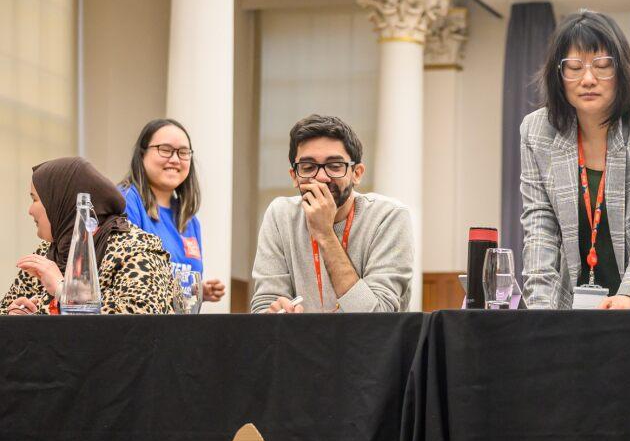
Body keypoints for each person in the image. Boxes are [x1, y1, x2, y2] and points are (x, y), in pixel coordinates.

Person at [519, 9, 630, 310]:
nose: (588, 79)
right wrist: (541, 312)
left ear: (621, 72)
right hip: (575, 308)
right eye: (574, 67)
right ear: (558, 74)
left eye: (602, 66)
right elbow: (539, 226)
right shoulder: (537, 131)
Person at [251, 114, 413, 313]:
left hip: (369, 344)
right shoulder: (280, 215)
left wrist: (325, 233)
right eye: (308, 167)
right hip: (301, 343)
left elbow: (377, 318)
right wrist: (274, 313)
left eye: (335, 166)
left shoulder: (389, 216)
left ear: (357, 173)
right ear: (294, 176)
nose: (321, 177)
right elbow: (262, 306)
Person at [3, 157, 178, 315]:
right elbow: (5, 308)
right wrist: (15, 316)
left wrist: (63, 290)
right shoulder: (47, 252)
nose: (29, 211)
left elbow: (142, 315)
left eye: (35, 200)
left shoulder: (138, 248)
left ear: (62, 202)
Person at [119, 118, 226, 305]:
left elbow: (173, 285)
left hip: (180, 330)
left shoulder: (190, 221)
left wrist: (197, 290)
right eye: (165, 150)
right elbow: (126, 276)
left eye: (183, 152)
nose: (175, 159)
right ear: (142, 154)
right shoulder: (126, 201)